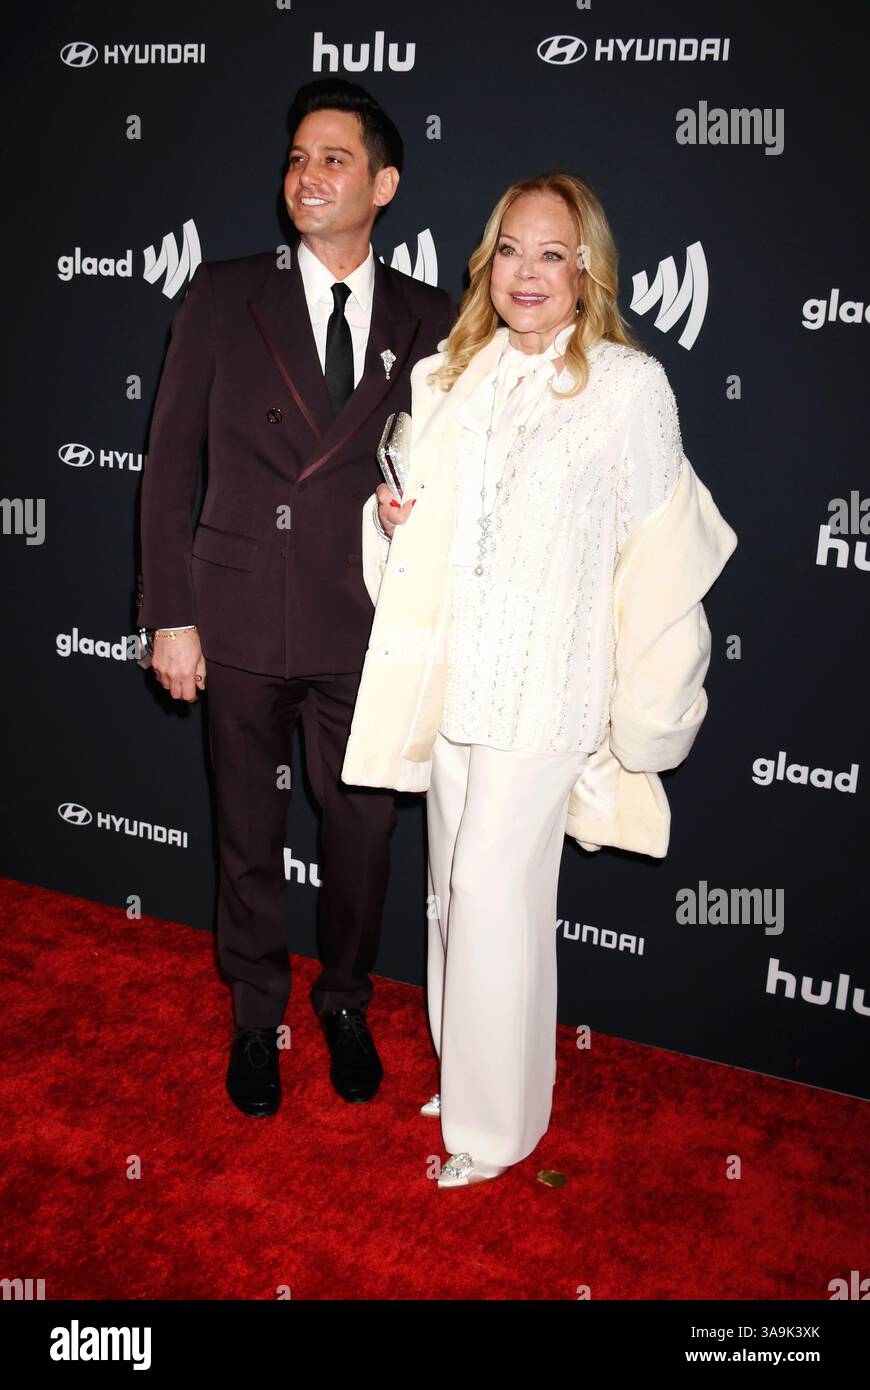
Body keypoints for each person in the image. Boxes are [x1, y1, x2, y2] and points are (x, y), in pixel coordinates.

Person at [341, 172, 737, 1186]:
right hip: (455, 678)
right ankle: (464, 1071)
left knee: (492, 892)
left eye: (552, 254)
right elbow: (409, 532)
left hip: (547, 689)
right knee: (445, 895)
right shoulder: (447, 376)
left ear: (587, 271)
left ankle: (496, 1128)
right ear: (487, 262)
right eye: (511, 249)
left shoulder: (627, 387)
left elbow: (661, 559)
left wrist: (647, 710)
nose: (528, 272)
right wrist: (390, 526)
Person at [136, 78, 453, 1117]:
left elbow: (458, 472)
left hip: (370, 628)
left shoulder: (433, 317)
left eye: (334, 159)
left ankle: (347, 1002)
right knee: (245, 833)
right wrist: (169, 614)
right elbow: (167, 460)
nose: (307, 176)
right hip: (238, 618)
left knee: (363, 839)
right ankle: (255, 1014)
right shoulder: (225, 293)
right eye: (296, 158)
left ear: (386, 183)